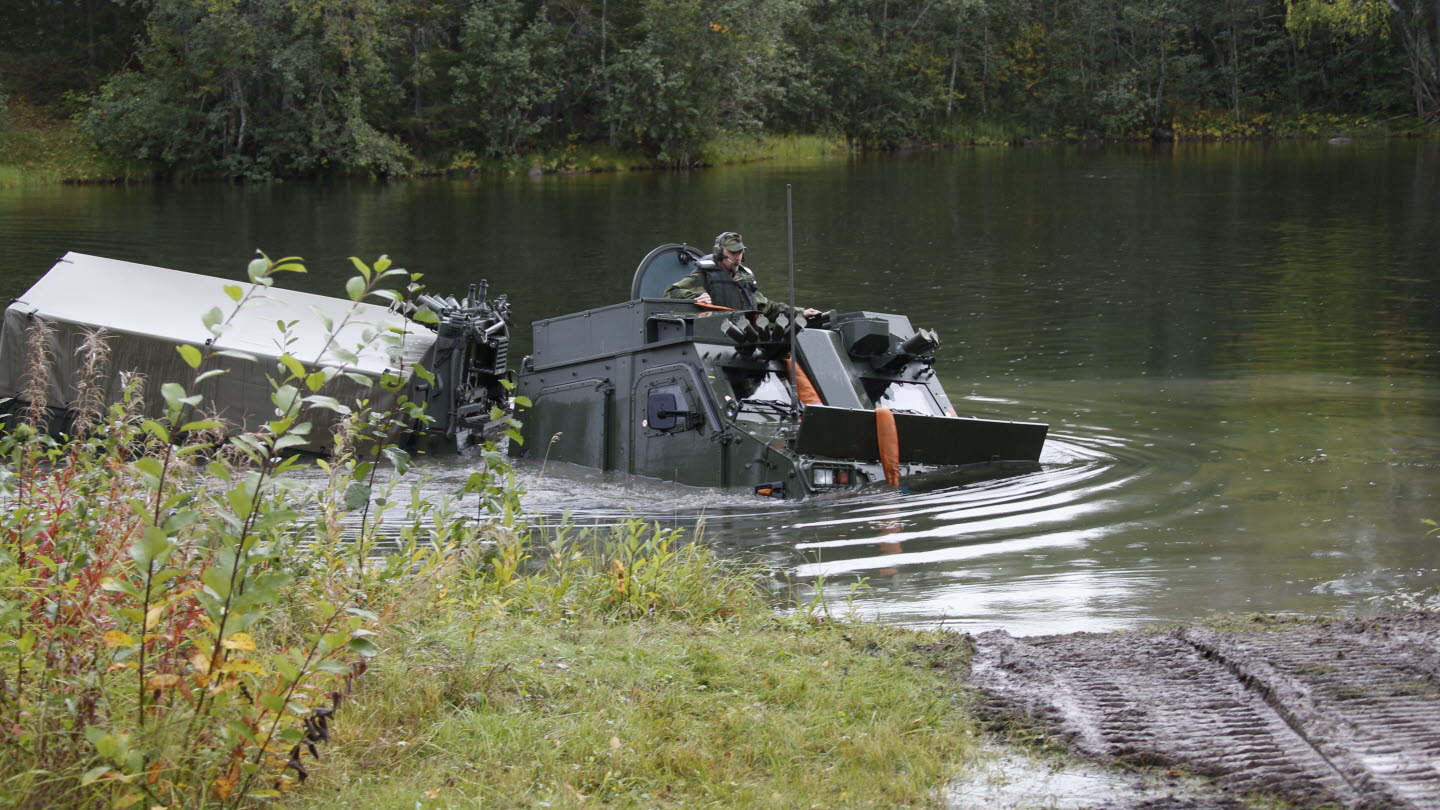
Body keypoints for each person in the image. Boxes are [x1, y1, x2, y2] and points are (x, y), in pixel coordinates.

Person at [665, 231, 820, 320]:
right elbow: (671, 293)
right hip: (716, 338)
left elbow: (767, 307)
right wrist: (695, 298)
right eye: (732, 252)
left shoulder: (744, 280)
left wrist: (801, 312)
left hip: (746, 337)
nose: (737, 257)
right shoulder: (704, 276)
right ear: (719, 252)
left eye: (740, 252)